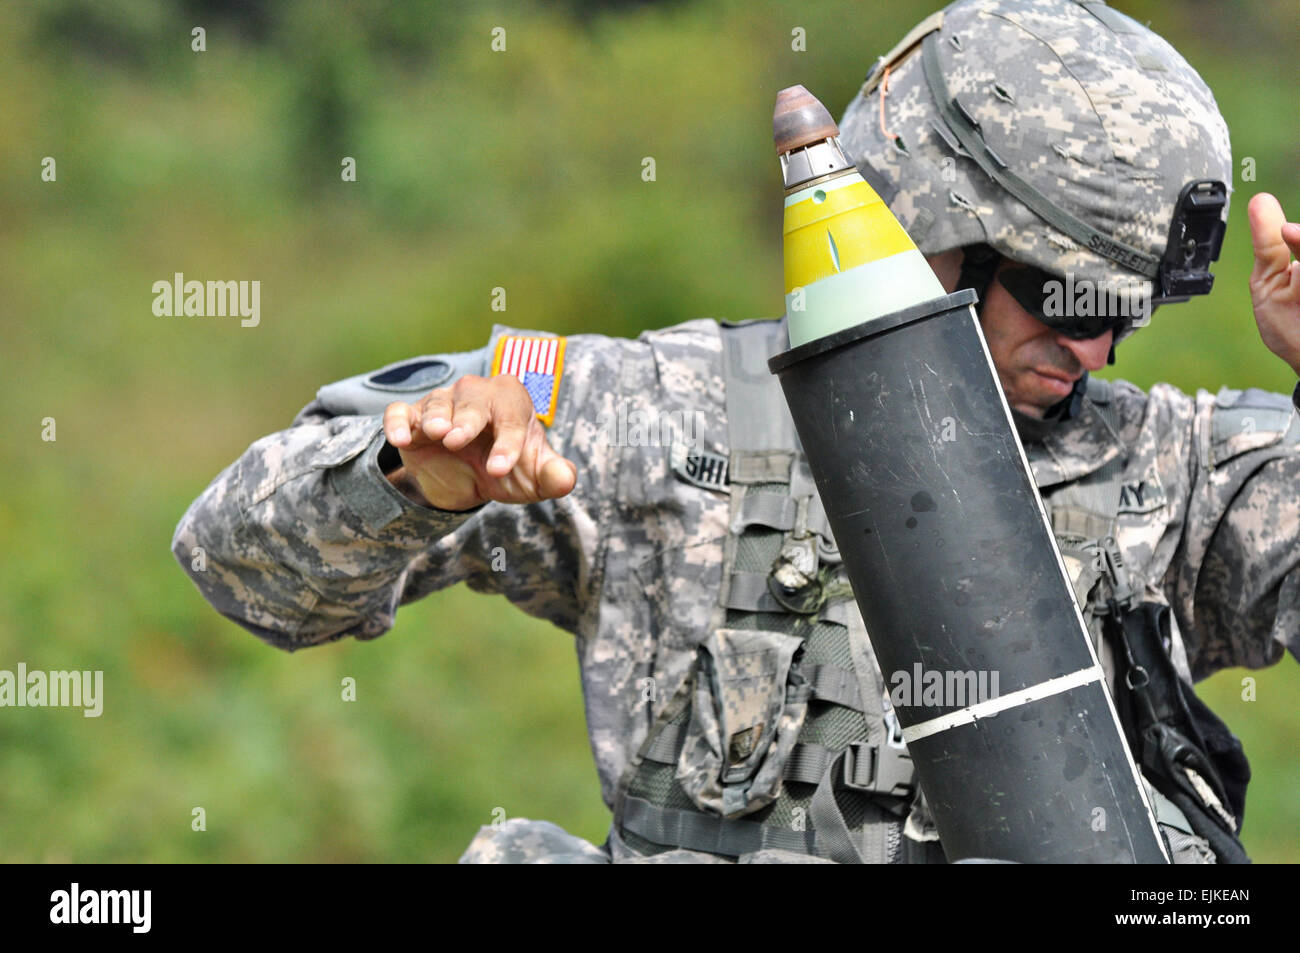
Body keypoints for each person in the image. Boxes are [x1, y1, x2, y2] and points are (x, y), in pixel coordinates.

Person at [172, 0, 1300, 864]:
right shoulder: (665, 414)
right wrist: (406, 480)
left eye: (1129, 314)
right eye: (1067, 301)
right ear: (932, 226)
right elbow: (236, 569)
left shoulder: (1174, 476)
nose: (1097, 352)